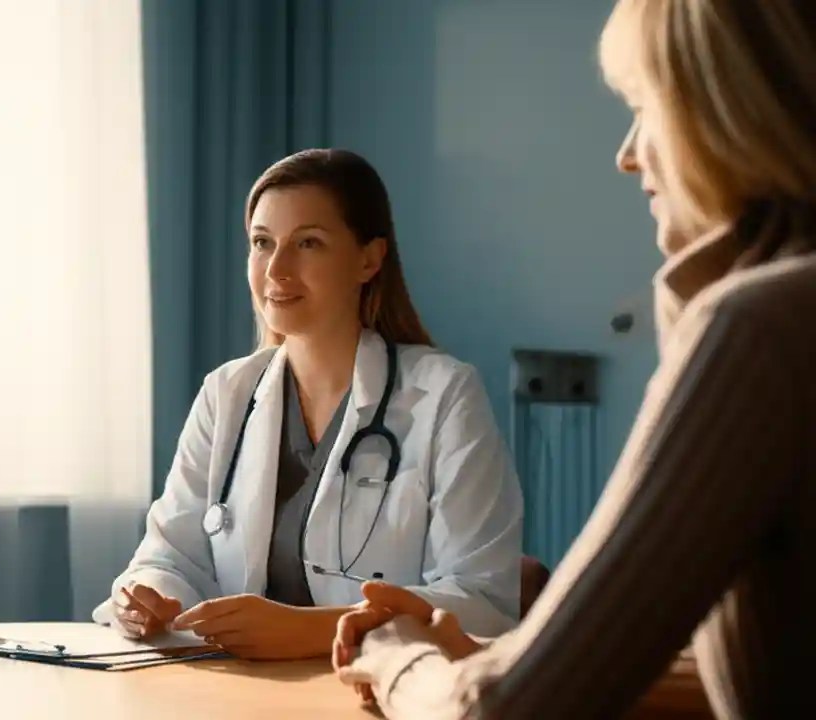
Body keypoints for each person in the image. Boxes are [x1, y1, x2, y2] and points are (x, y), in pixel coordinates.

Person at [334, 1, 816, 717]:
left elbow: (500, 714)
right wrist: (512, 659)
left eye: (646, 107)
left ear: (731, 110)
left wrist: (399, 658)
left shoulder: (765, 331)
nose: (627, 154)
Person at [95, 149, 524, 659]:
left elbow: (483, 603)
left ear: (369, 259)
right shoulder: (227, 393)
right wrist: (148, 596)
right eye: (262, 243)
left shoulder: (445, 395)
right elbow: (171, 556)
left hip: (376, 692)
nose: (277, 268)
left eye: (309, 243)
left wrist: (313, 630)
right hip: (235, 691)